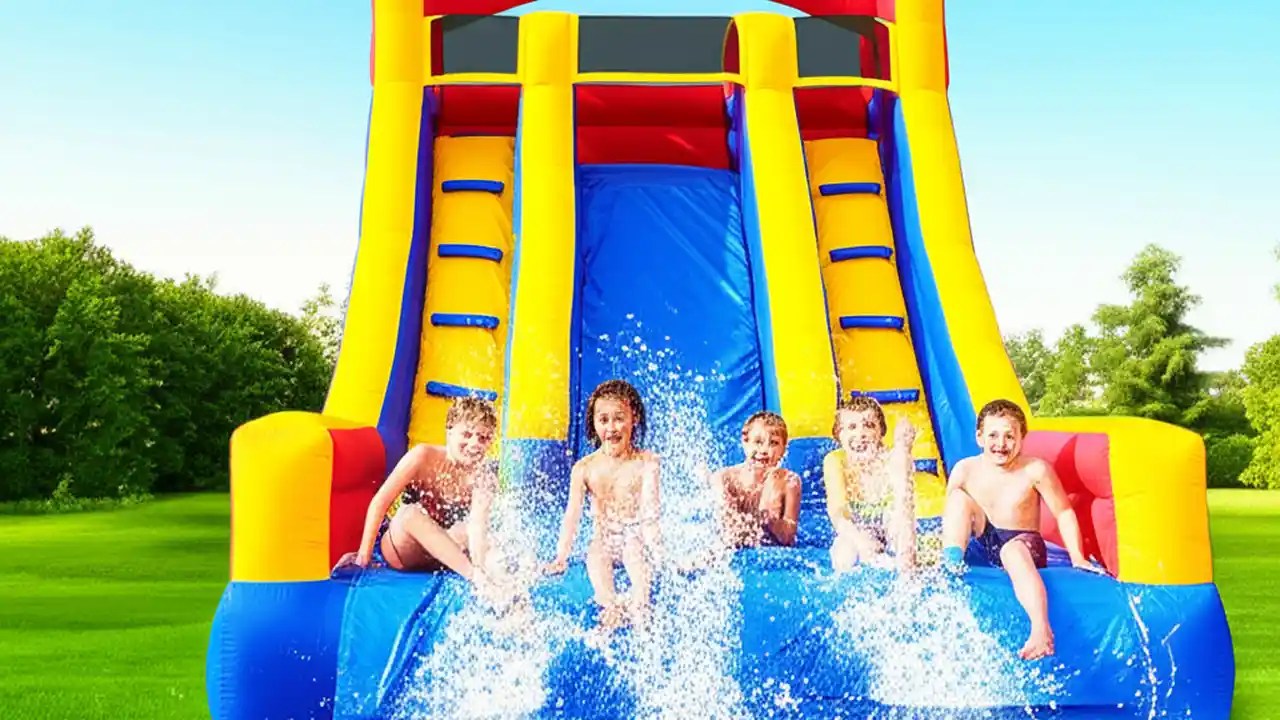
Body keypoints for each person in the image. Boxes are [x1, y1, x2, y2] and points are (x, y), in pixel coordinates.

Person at [939, 399, 1095, 661]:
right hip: (982, 541)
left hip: (1022, 543)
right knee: (957, 498)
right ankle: (951, 564)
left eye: (1010, 436)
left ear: (1022, 438)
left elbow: (1064, 512)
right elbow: (951, 515)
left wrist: (1077, 557)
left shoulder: (1035, 470)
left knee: (1011, 552)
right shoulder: (965, 469)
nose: (1001, 443)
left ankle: (1041, 629)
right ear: (979, 437)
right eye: (993, 435)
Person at [335, 396, 513, 606]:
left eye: (483, 438)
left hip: (445, 555)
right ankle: (477, 579)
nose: (474, 443)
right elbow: (380, 502)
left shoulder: (483, 478)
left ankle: (506, 590)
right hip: (403, 551)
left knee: (476, 533)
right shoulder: (422, 457)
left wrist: (487, 563)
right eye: (467, 434)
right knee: (409, 513)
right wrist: (363, 557)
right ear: (449, 430)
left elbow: (478, 529)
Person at [543, 379, 663, 629]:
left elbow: (651, 512)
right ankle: (611, 607)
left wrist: (659, 551)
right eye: (603, 420)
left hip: (635, 536)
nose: (611, 427)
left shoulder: (647, 462)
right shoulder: (585, 468)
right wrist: (561, 556)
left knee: (634, 549)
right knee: (596, 551)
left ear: (635, 418)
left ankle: (640, 604)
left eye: (619, 418)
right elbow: (572, 515)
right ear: (594, 423)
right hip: (605, 538)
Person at [822, 395, 919, 573]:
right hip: (856, 529)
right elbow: (838, 512)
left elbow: (905, 513)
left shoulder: (893, 460)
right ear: (838, 435)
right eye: (851, 427)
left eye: (869, 425)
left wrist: (908, 567)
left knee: (902, 539)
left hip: (891, 526)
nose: (861, 434)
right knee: (844, 555)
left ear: (881, 432)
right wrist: (861, 541)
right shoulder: (836, 461)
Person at [710, 411, 802, 548]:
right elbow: (728, 532)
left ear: (784, 450)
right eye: (758, 442)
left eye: (774, 443)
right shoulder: (724, 478)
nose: (764, 450)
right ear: (745, 443)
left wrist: (770, 519)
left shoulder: (790, 482)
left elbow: (788, 538)